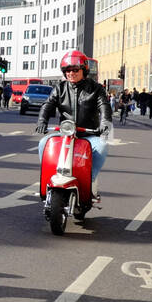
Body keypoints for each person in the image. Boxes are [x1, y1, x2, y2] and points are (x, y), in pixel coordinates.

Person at [34, 50, 113, 199]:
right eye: (68, 70)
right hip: (65, 134)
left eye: (75, 70)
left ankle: (91, 178)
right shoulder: (60, 88)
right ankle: (50, 175)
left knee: (101, 146)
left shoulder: (96, 89)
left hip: (89, 134)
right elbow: (48, 104)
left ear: (84, 70)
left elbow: (104, 106)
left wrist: (104, 123)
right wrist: (42, 120)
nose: (71, 73)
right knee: (43, 143)